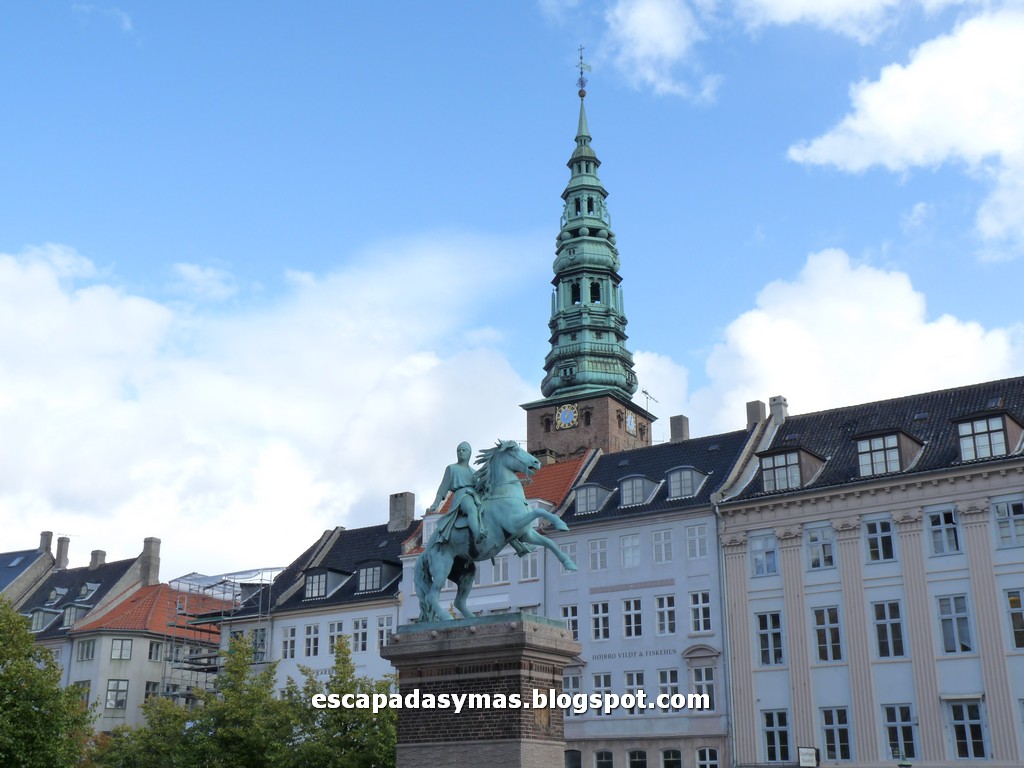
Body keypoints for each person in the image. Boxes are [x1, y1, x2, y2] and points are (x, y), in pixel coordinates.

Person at [428, 442, 484, 544]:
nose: (461, 452)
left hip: (475, 496)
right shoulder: (452, 468)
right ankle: (477, 534)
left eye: (463, 450)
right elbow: (443, 488)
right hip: (462, 496)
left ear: (469, 453)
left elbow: (480, 488)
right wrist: (436, 503)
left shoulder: (474, 472)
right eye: (459, 450)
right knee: (471, 509)